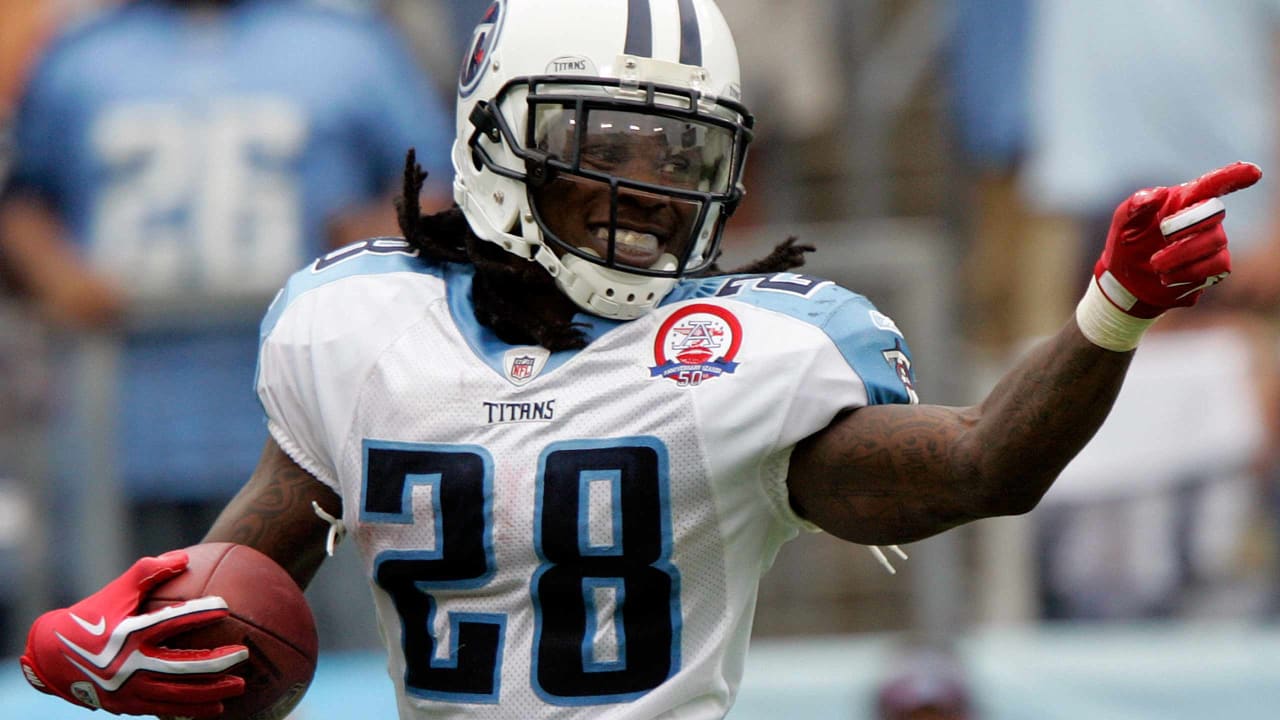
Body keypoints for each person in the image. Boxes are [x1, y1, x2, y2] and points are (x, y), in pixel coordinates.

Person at [15, 1, 1262, 718]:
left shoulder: (758, 351)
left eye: (679, 154)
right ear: (495, 134)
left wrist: (1108, 309)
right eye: (601, 140)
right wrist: (94, 643)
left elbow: (986, 465)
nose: (643, 188)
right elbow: (238, 615)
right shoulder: (357, 326)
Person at [0, 0, 451, 609]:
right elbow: (24, 203)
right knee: (123, 656)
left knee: (328, 659)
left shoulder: (350, 42)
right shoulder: (78, 51)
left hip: (314, 434)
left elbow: (442, 194)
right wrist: (57, 273)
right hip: (120, 431)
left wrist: (376, 238)